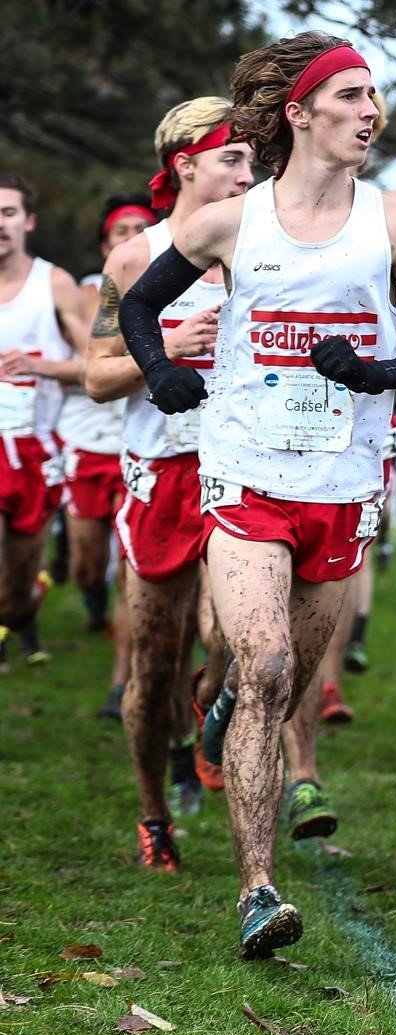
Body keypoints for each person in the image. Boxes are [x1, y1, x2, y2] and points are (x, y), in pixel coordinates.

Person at [116, 31, 396, 959]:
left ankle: (224, 703)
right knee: (266, 667)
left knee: (282, 681)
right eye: (349, 96)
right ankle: (258, 890)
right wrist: (159, 372)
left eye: (374, 95)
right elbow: (139, 309)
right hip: (245, 476)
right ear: (299, 114)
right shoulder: (233, 223)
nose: (369, 111)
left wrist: (373, 367)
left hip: (342, 488)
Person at [85, 97, 254, 865]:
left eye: (254, 161)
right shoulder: (135, 258)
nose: (248, 174)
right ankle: (155, 812)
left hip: (241, 466)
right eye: (232, 159)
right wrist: (168, 345)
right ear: (185, 163)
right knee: (152, 669)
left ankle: (212, 705)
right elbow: (96, 378)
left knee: (237, 639)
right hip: (161, 474)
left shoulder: (266, 244)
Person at [0, 171, 91, 669]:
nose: (0, 224)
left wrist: (38, 366)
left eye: (9, 213)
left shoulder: (53, 283)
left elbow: (92, 368)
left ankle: (19, 611)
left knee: (17, 580)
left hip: (36, 449)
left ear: (28, 221)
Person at [77, 193, 156, 721]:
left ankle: (121, 679)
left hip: (149, 449)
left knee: (134, 576)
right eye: (121, 231)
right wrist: (159, 352)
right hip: (89, 438)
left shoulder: (184, 272)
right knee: (89, 565)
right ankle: (86, 595)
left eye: (141, 228)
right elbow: (88, 365)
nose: (131, 238)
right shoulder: (96, 288)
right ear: (107, 244)